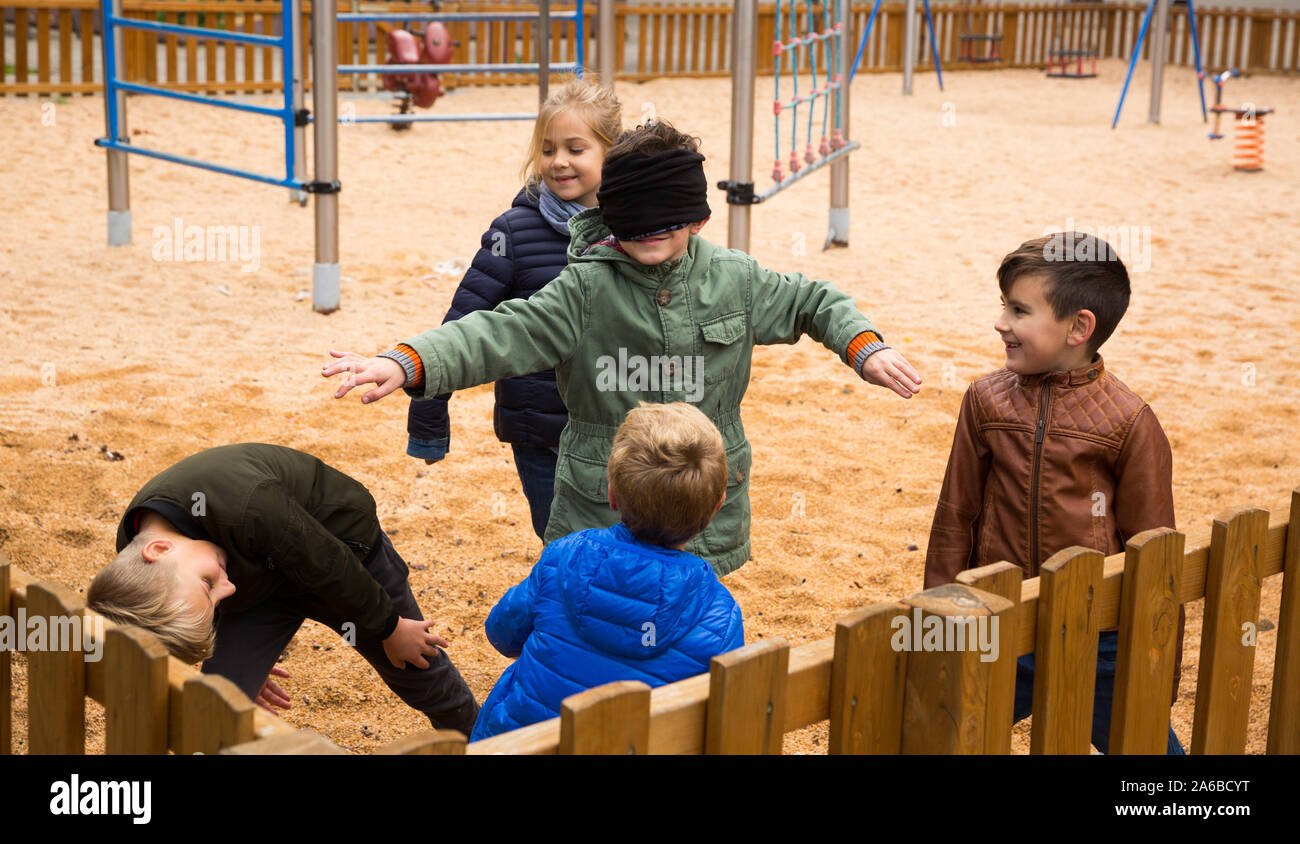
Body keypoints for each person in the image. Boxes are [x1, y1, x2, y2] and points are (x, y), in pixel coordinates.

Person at [323, 120, 922, 577]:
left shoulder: (735, 280)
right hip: (604, 500)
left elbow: (812, 300)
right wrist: (407, 361)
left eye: (666, 223)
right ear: (612, 219)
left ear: (698, 221)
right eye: (634, 225)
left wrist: (862, 347)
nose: (650, 236)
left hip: (702, 498)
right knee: (599, 609)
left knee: (689, 618)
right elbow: (497, 332)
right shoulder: (585, 287)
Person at [923, 233, 1184, 754]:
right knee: (944, 734)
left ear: (1078, 327)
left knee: (1146, 748)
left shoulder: (1128, 421)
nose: (1002, 323)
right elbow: (957, 515)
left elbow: (1156, 554)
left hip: (1096, 634)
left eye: (1019, 310)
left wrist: (1160, 671)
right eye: (1004, 305)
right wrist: (941, 613)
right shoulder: (985, 399)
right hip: (1000, 615)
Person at [87, 443, 479, 736]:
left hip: (345, 559)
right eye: (213, 599)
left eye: (208, 586)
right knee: (225, 692)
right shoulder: (141, 558)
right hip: (263, 580)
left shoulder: (248, 505)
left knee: (413, 662)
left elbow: (329, 565)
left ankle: (480, 738)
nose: (225, 589)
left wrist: (390, 626)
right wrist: (249, 650)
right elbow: (196, 598)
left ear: (160, 549)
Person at [408, 78, 623, 540]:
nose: (559, 161)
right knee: (563, 543)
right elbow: (464, 322)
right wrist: (428, 417)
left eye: (576, 148)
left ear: (612, 153)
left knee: (629, 541)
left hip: (620, 427)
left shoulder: (640, 232)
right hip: (542, 432)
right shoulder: (514, 232)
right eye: (547, 149)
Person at [470, 402, 744, 740]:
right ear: (718, 506)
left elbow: (501, 633)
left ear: (612, 494)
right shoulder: (719, 614)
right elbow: (722, 714)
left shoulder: (564, 557)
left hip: (521, 743)